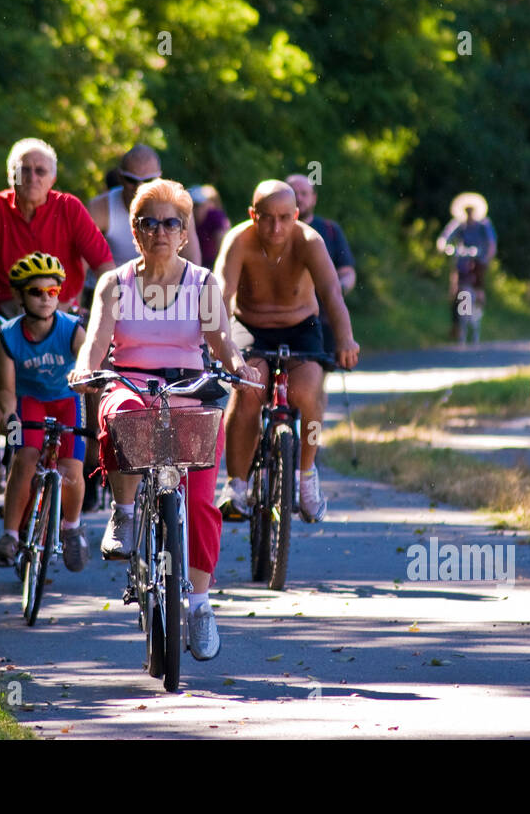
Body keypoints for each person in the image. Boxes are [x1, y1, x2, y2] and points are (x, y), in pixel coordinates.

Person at [69, 179, 259, 661]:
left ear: (184, 231)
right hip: (132, 384)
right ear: (134, 231)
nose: (159, 230)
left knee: (200, 503)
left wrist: (239, 368)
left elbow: (223, 344)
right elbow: (95, 343)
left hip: (188, 391)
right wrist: (84, 369)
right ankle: (125, 510)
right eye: (148, 222)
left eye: (170, 222)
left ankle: (198, 603)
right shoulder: (115, 284)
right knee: (119, 415)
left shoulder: (202, 283)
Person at [0, 138, 113, 505]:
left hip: (61, 313)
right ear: (11, 175)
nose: (32, 176)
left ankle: (95, 463)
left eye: (41, 170)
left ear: (52, 178)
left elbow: (105, 267)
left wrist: (100, 311)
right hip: (4, 312)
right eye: (25, 169)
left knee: (98, 364)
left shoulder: (69, 208)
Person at [213, 180, 360, 524]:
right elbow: (220, 293)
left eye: (284, 218)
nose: (275, 227)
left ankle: (306, 476)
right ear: (253, 215)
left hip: (301, 328)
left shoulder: (310, 241)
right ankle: (236, 485)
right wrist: (214, 342)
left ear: (296, 215)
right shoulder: (239, 240)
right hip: (250, 325)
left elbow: (332, 294)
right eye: (266, 218)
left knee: (307, 392)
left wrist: (345, 340)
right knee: (249, 389)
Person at [0, 253, 90, 571]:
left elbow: (88, 372)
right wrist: (7, 415)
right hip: (28, 401)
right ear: (19, 295)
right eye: (36, 292)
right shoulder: (9, 335)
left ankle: (71, 529)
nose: (46, 299)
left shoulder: (72, 330)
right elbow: (6, 389)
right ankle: (10, 535)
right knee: (24, 458)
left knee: (72, 470)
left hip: (67, 401)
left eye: (53, 292)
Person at [87, 145, 202, 266]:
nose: (139, 187)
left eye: (148, 181)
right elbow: (81, 260)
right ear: (120, 178)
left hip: (156, 284)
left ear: (159, 178)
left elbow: (192, 262)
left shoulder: (178, 207)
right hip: (107, 281)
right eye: (131, 180)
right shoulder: (100, 208)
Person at [437, 192, 497, 341]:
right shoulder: (459, 225)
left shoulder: (483, 225)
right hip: (462, 263)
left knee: (478, 289)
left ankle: (477, 314)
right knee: (456, 292)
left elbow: (491, 243)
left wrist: (487, 256)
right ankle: (457, 327)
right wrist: (444, 247)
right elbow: (445, 237)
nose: (468, 214)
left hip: (477, 263)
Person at [287, 174, 356, 294]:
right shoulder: (273, 230)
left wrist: (337, 291)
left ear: (314, 198)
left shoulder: (330, 229)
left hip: (322, 310)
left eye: (304, 193)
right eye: (293, 193)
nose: (299, 198)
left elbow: (347, 272)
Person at [189, 184, 232, 270]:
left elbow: (222, 244)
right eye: (193, 206)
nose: (196, 210)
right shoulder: (184, 220)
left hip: (213, 264)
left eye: (198, 205)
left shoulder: (214, 217)